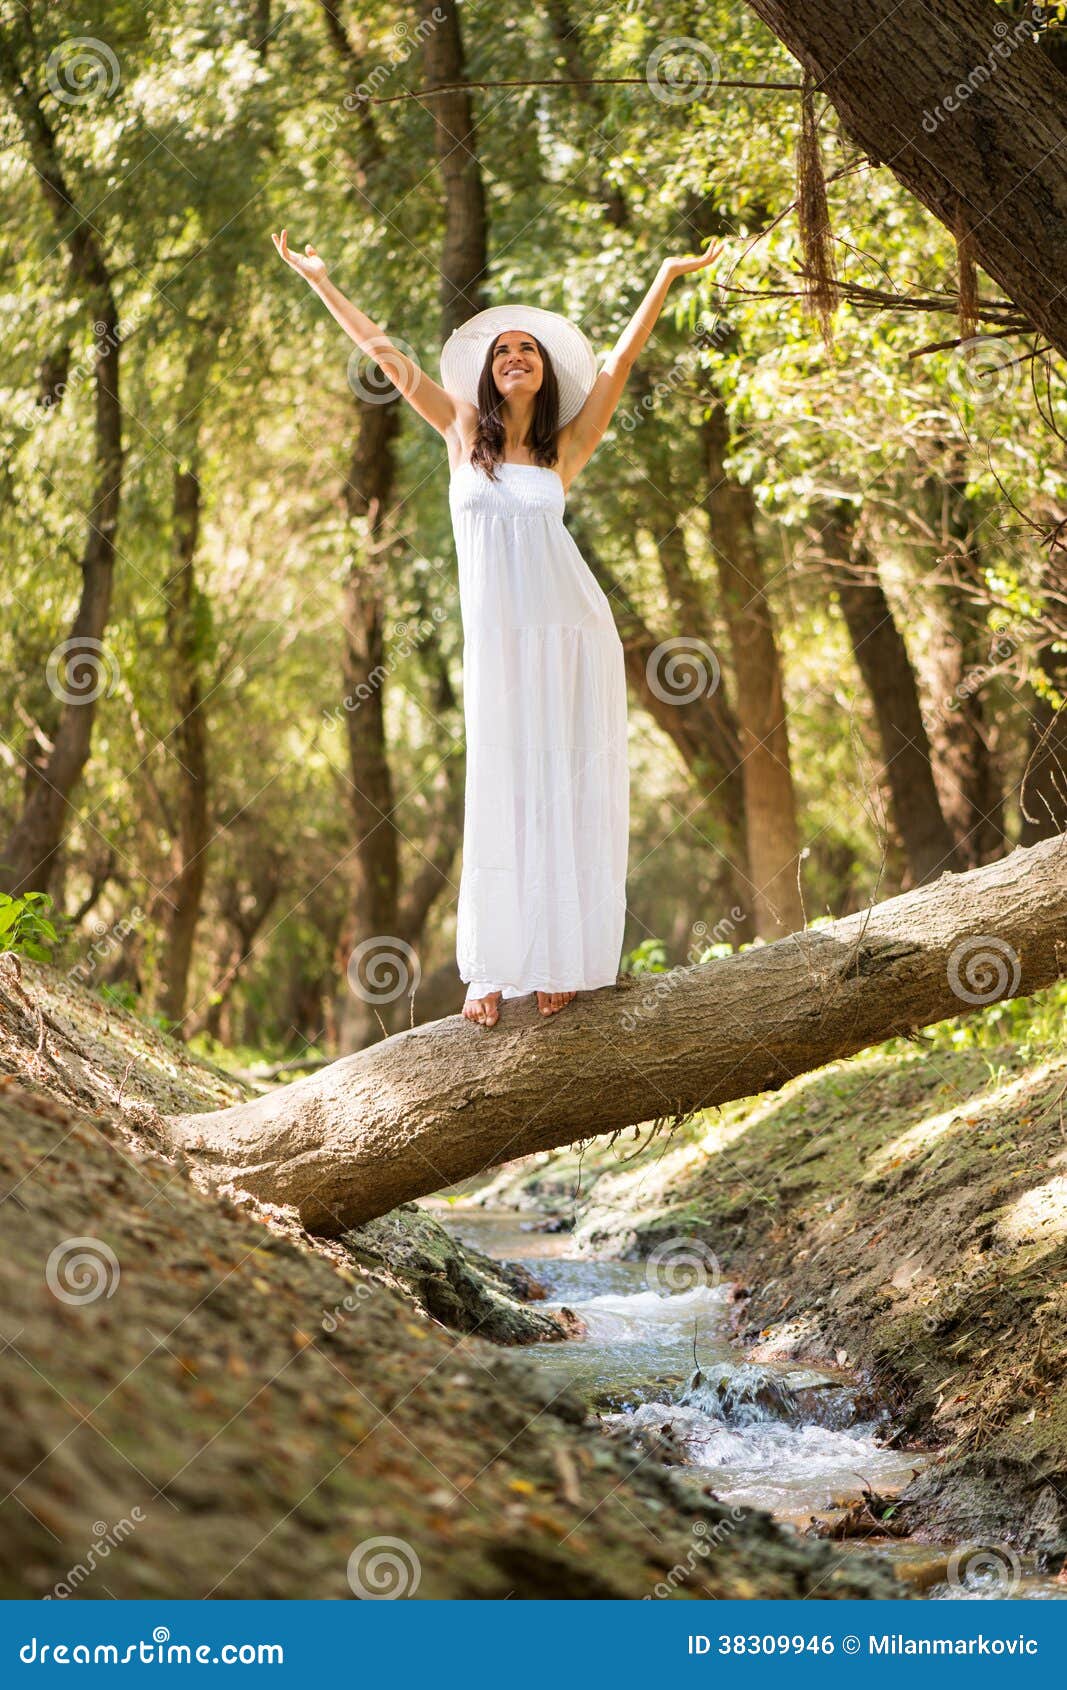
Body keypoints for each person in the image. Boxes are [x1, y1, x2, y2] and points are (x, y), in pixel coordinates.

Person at [273, 230, 722, 1027]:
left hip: (569, 633)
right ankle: (492, 969)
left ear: (544, 374)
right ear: (487, 371)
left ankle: (558, 962)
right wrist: (319, 279)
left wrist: (662, 276)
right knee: (502, 788)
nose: (514, 355)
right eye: (503, 349)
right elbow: (385, 355)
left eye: (529, 349)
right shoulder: (457, 431)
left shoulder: (561, 450)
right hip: (499, 647)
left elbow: (617, 368)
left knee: (561, 786)